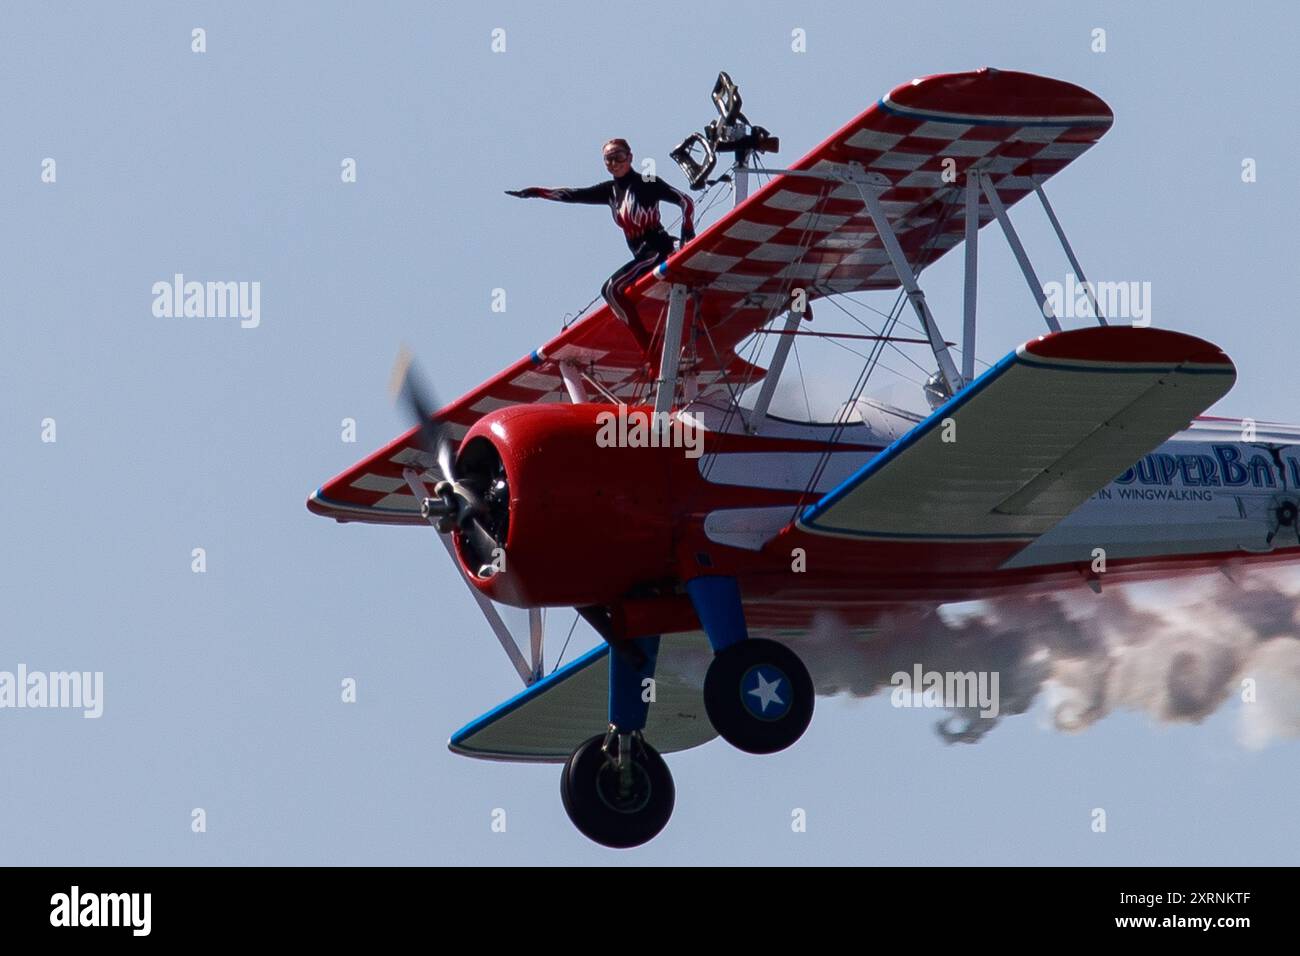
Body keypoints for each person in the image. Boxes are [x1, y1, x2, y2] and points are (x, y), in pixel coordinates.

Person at [506, 138, 695, 360]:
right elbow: (574, 195)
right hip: (642, 256)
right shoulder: (610, 191)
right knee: (613, 292)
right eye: (609, 159)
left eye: (619, 157)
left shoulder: (647, 181)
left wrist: (687, 238)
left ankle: (651, 349)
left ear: (630, 157)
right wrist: (537, 193)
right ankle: (652, 344)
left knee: (611, 290)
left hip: (657, 251)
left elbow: (686, 202)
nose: (614, 163)